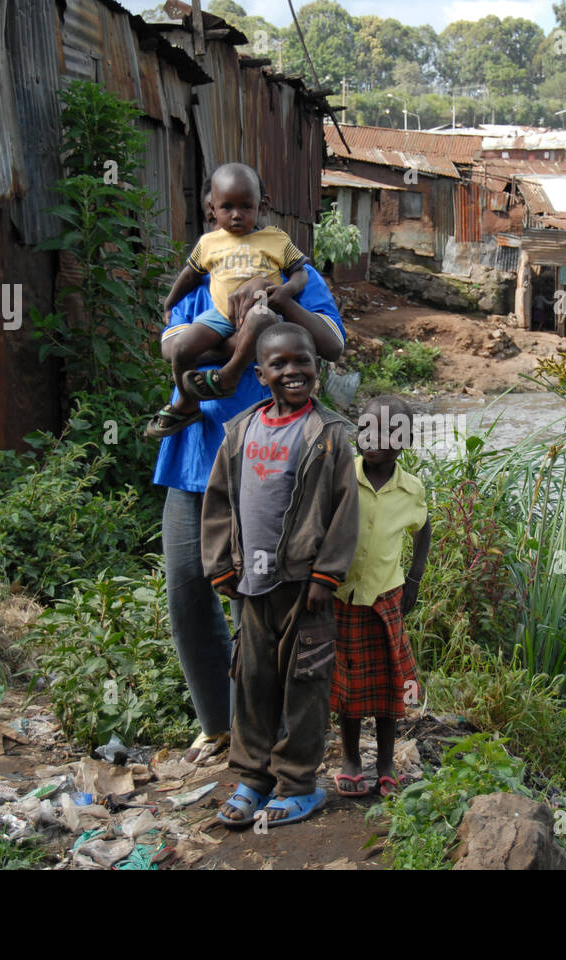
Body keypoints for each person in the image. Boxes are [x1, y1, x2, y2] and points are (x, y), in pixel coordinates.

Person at [154, 267, 345, 765]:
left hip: (268, 469)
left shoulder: (300, 280)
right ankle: (217, 725)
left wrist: (273, 304)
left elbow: (326, 346)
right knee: (188, 595)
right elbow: (176, 352)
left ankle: (263, 738)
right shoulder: (200, 283)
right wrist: (242, 333)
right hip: (193, 459)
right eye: (224, 210)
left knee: (257, 605)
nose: (236, 223)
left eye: (248, 210)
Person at [202, 322, 359, 827]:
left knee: (304, 684)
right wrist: (220, 563)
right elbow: (220, 501)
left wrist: (325, 576)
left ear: (318, 367)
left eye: (302, 361)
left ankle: (298, 783)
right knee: (252, 681)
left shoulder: (330, 434)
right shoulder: (240, 430)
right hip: (251, 586)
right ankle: (253, 777)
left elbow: (344, 510)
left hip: (304, 588)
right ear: (260, 373)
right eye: (279, 364)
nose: (292, 371)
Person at [146, 163, 311, 437]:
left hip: (261, 314)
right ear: (213, 208)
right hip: (221, 316)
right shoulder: (209, 243)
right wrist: (169, 303)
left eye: (246, 207)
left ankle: (229, 376)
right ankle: (187, 403)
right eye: (227, 208)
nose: (237, 215)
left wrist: (287, 291)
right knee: (183, 347)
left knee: (263, 317)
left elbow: (300, 273)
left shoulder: (276, 239)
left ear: (262, 205)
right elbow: (189, 276)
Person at [330, 395, 431, 799]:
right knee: (349, 686)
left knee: (391, 684)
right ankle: (352, 760)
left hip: (385, 597)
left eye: (390, 431)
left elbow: (422, 529)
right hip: (342, 596)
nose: (377, 438)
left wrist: (415, 579)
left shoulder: (412, 490)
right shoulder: (340, 476)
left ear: (405, 440)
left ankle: (387, 764)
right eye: (368, 428)